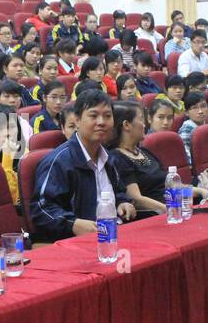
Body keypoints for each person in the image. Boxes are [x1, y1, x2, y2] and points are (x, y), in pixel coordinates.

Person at [29, 90, 136, 240]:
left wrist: (123, 202)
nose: (101, 122)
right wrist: (73, 224)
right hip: (78, 241)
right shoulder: (59, 161)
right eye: (93, 116)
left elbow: (119, 192)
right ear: (78, 121)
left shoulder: (108, 157)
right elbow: (41, 210)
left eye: (107, 116)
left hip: (116, 233)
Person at [109, 100, 170, 218]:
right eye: (141, 119)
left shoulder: (144, 152)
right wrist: (170, 209)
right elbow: (136, 199)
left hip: (171, 207)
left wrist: (202, 192)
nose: (145, 125)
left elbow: (171, 184)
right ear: (126, 125)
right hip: (155, 215)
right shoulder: (117, 157)